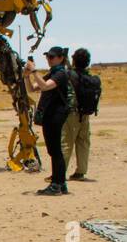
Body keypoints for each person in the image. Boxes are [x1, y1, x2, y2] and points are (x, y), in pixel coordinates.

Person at [25, 45, 75, 195]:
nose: (49, 59)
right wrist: (27, 76)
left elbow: (45, 87)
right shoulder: (52, 73)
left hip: (56, 114)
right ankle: (60, 183)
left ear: (61, 58)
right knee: (53, 150)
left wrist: (34, 71)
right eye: (47, 56)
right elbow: (33, 88)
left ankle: (57, 184)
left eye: (52, 57)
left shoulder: (61, 74)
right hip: (50, 115)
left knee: (55, 150)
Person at [66, 47, 101, 181]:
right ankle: (81, 171)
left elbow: (69, 74)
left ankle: (60, 173)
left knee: (67, 143)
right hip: (85, 114)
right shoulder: (88, 77)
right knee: (83, 142)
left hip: (72, 114)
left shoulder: (71, 75)